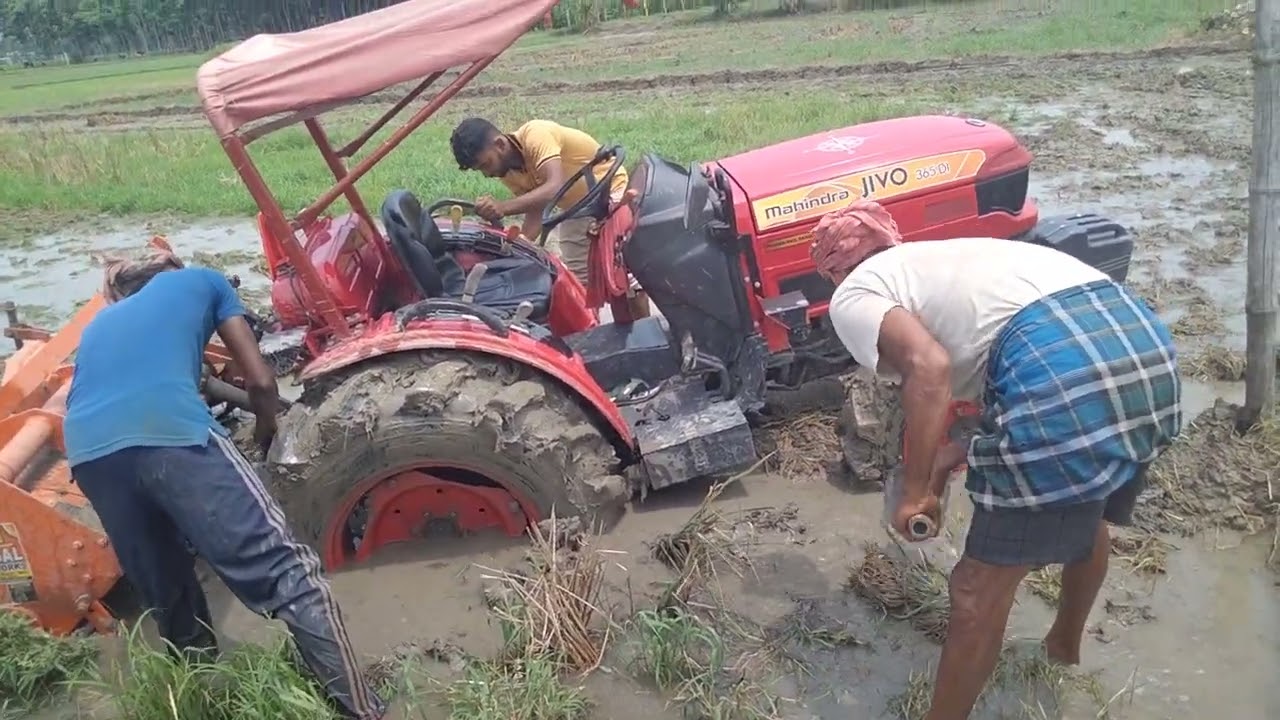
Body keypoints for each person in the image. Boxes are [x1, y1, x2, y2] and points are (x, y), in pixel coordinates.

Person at [814, 201, 1181, 720]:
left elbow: (931, 368)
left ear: (831, 270)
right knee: (1089, 510)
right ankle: (1062, 650)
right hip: (1143, 348)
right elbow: (1001, 375)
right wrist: (942, 464)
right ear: (892, 239)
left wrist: (916, 489)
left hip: (1059, 368)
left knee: (974, 589)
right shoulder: (946, 260)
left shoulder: (855, 293)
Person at [64, 252, 385, 720]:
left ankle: (203, 702)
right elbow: (260, 380)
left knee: (167, 592)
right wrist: (265, 430)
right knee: (292, 577)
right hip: (172, 433)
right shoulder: (203, 280)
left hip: (89, 454)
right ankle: (365, 712)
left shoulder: (100, 323)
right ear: (170, 270)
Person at [448, 116, 632, 293]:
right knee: (578, 284)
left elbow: (554, 188)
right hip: (577, 208)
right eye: (480, 170)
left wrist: (503, 207)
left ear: (500, 144)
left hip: (611, 190)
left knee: (622, 275)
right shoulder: (508, 172)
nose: (487, 174)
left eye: (486, 164)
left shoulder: (536, 134)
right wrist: (517, 247)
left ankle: (640, 321)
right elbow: (537, 208)